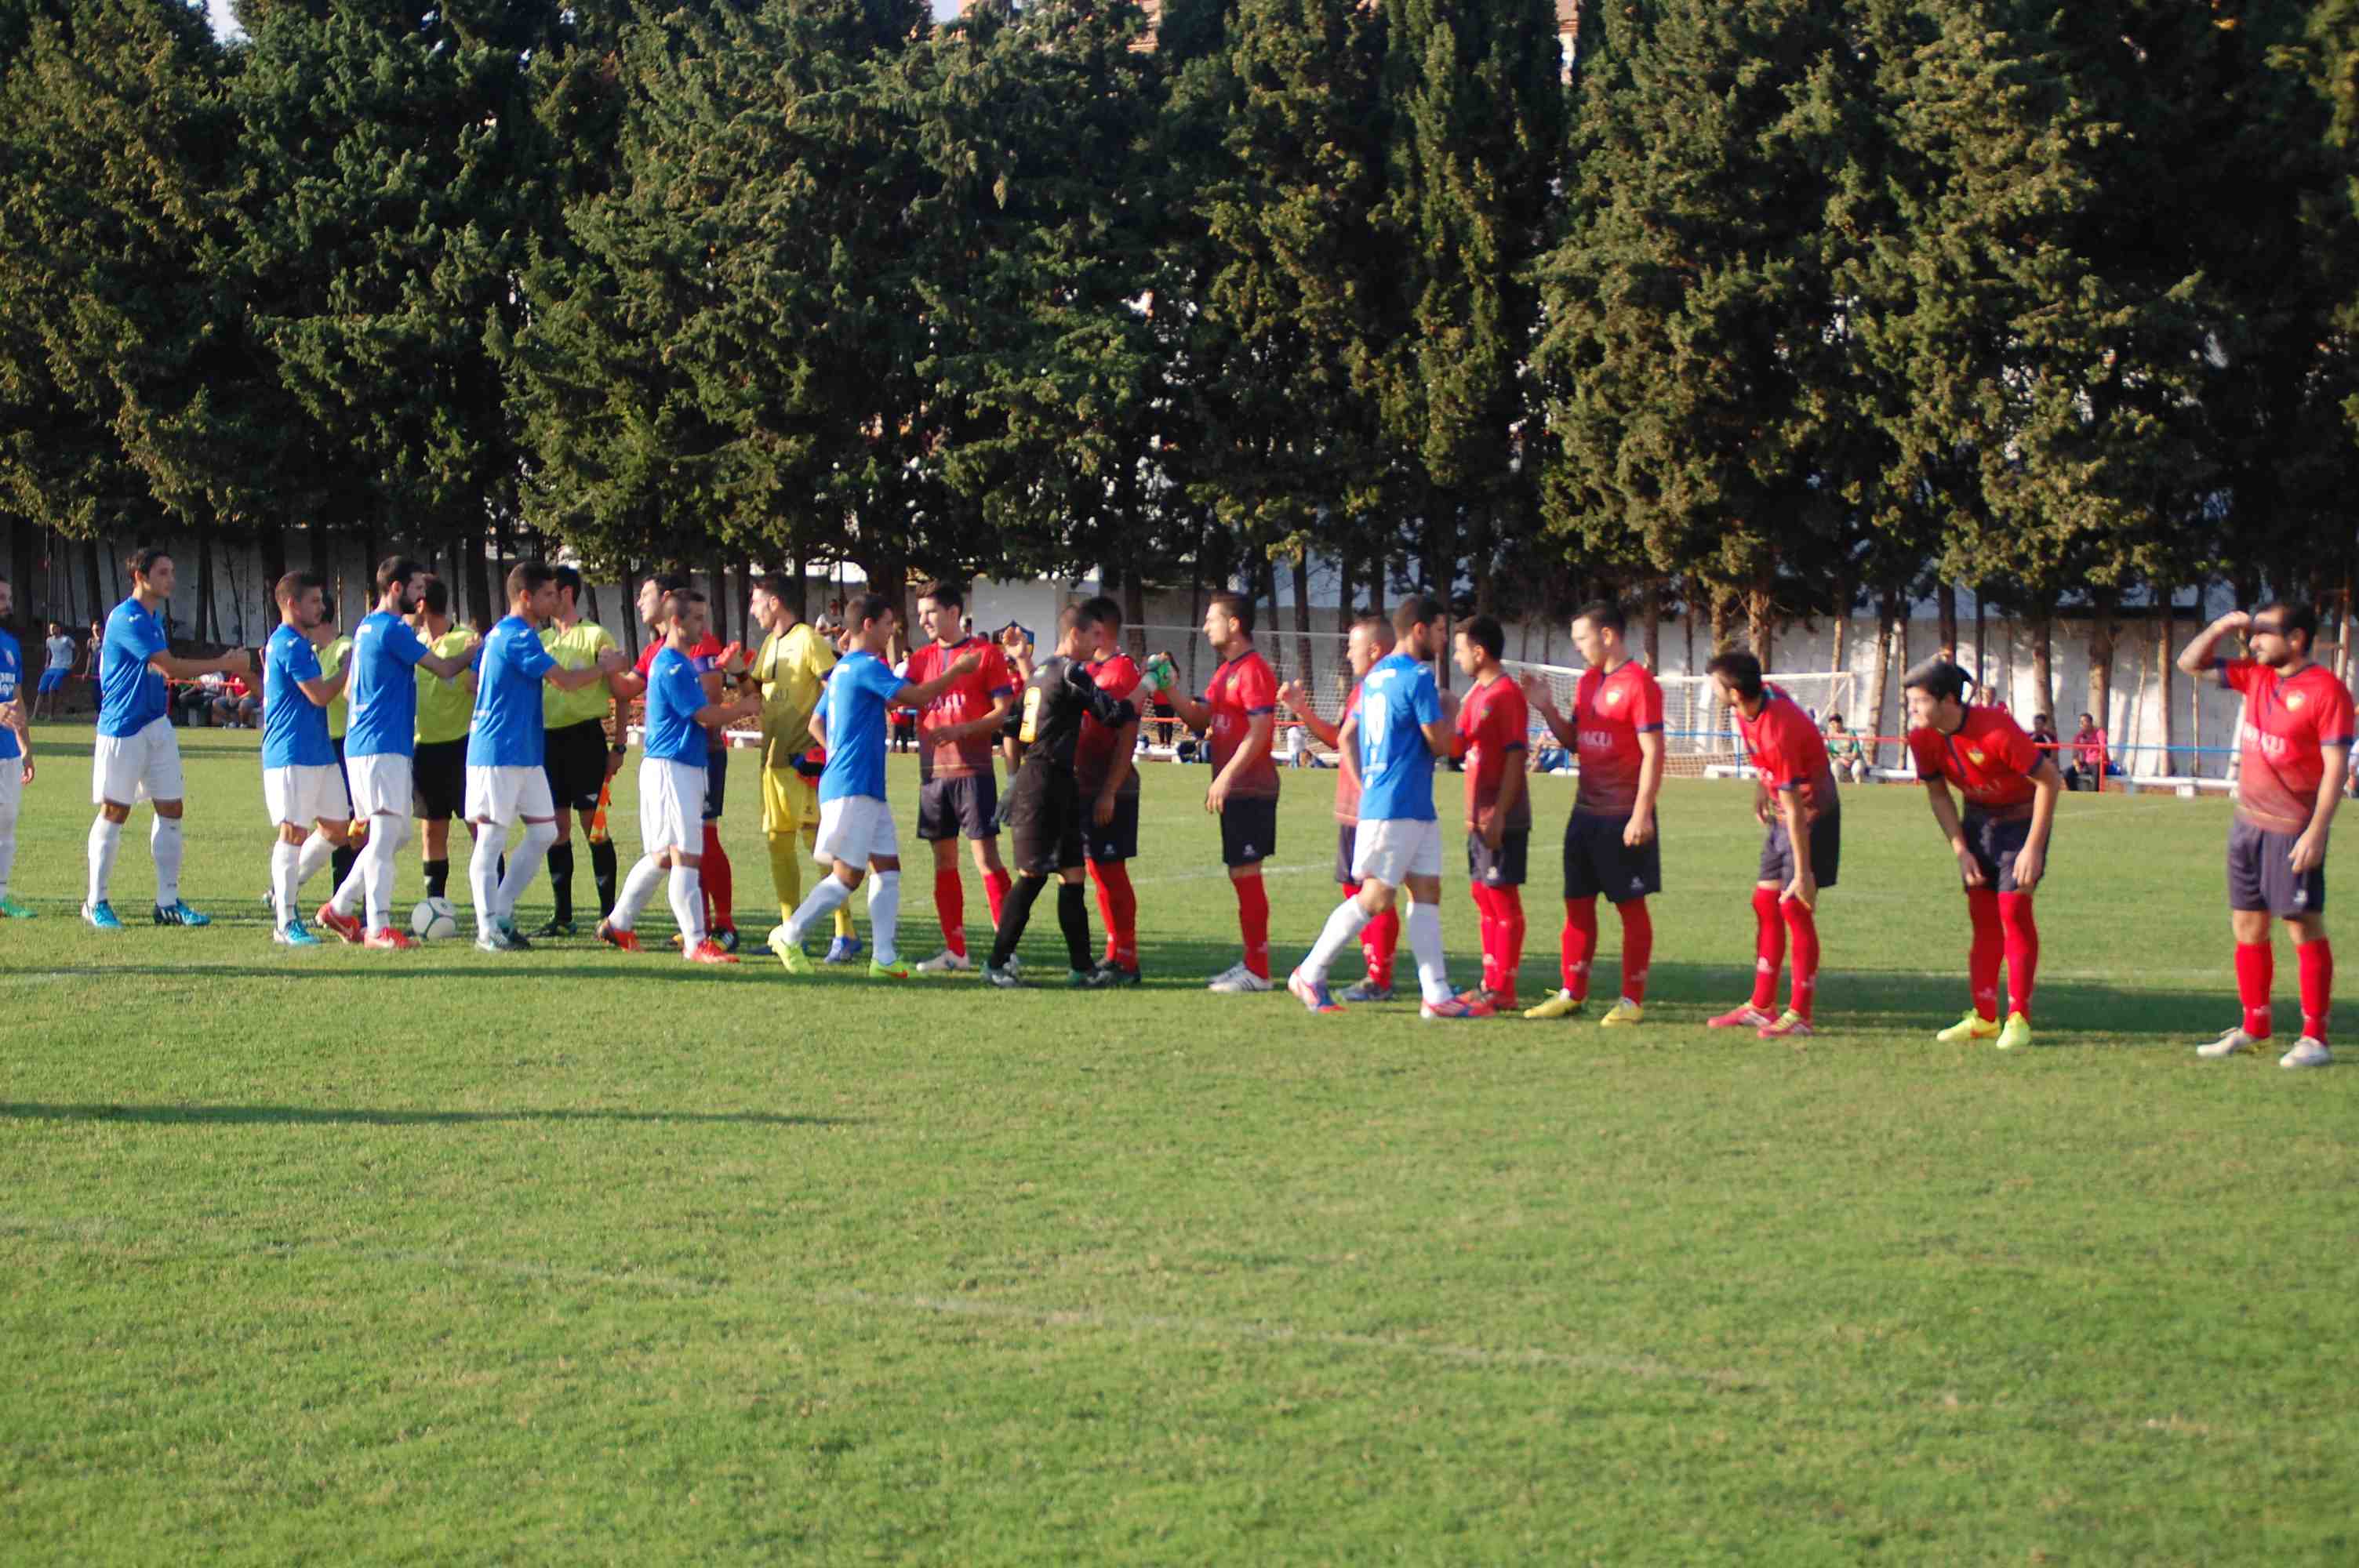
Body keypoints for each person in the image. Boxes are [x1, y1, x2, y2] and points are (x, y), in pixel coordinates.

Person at [770, 592, 982, 978]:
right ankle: (790, 933)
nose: (891, 632)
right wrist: (958, 671)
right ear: (868, 625)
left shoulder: (843, 670)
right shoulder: (867, 665)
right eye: (887, 625)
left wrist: (840, 750)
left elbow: (817, 723)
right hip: (854, 786)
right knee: (848, 876)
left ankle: (883, 958)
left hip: (861, 783)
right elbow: (916, 696)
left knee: (887, 869)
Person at [2179, 603, 2352, 1069]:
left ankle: (2315, 1037)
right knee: (2248, 926)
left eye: (2263, 633)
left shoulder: (2326, 691)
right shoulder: (2255, 676)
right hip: (2246, 825)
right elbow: (2189, 664)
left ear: (2296, 639)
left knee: (2302, 925)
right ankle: (2254, 1026)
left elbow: (2337, 766)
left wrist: (2317, 831)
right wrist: (2221, 627)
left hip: (2291, 830)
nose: (2252, 641)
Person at [1286, 595, 1472, 1018]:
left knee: (1427, 891)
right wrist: (1454, 712)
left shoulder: (1376, 677)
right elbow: (1440, 744)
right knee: (1376, 898)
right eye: (1441, 630)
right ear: (1420, 630)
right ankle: (1309, 973)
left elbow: (1347, 735)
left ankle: (1437, 995)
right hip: (1397, 805)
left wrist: (1366, 779)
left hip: (1408, 803)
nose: (1445, 640)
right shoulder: (1417, 678)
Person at [85, 547, 250, 930]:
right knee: (115, 811)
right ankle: (96, 901)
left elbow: (161, 670)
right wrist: (225, 662)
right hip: (123, 727)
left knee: (172, 809)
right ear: (140, 577)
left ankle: (167, 902)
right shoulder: (127, 618)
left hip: (156, 723)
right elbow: (170, 666)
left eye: (172, 571)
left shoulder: (154, 617)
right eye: (163, 572)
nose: (171, 579)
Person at [314, 558, 476, 947]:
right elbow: (445, 668)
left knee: (395, 833)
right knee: (388, 833)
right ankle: (377, 926)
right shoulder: (391, 630)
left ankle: (340, 907)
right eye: (418, 587)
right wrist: (476, 648)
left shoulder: (367, 626)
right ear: (398, 588)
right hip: (381, 746)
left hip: (372, 744)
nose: (423, 597)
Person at [465, 561, 624, 951]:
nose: (555, 599)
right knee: (490, 839)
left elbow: (474, 678)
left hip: (525, 752)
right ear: (526, 597)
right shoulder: (516, 636)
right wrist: (604, 668)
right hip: (497, 753)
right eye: (548, 594)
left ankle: (501, 911)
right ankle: (488, 928)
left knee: (545, 831)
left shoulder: (516, 635)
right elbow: (566, 681)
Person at [1904, 659, 2062, 1051]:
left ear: (1946, 701)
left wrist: (2033, 848)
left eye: (1919, 702)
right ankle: (1985, 1018)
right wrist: (1960, 849)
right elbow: (1938, 794)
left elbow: (2050, 781)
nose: (1912, 711)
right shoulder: (1922, 738)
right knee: (1983, 920)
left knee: (2013, 913)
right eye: (1909, 704)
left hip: (2020, 826)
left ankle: (2019, 1019)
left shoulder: (1995, 728)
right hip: (1976, 825)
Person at [981, 603, 1139, 988]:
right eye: (1094, 637)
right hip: (1045, 783)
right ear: (1076, 635)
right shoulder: (1071, 672)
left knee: (1072, 877)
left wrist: (1015, 776)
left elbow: (1012, 725)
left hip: (1056, 781)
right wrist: (1147, 686)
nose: (1098, 644)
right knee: (1032, 876)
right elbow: (1114, 714)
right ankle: (996, 963)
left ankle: (1081, 969)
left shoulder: (1039, 672)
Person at [1521, 602, 1663, 1026]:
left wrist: (1642, 814)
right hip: (1584, 814)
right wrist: (1546, 708)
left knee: (1630, 907)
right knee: (1576, 904)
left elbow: (1654, 753)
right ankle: (1572, 992)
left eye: (1582, 639)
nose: (1579, 648)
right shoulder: (1586, 683)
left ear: (1607, 636)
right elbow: (1577, 742)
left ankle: (1631, 1001)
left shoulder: (1640, 684)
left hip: (1623, 815)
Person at [598, 590, 758, 962]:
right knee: (685, 855)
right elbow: (703, 715)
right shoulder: (671, 664)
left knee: (664, 857)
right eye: (697, 619)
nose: (703, 626)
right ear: (676, 621)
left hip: (675, 766)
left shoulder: (678, 662)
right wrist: (743, 708)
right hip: (673, 767)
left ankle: (619, 924)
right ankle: (696, 942)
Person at [1704, 650, 1839, 1039]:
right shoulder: (1755, 701)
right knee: (1765, 902)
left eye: (1716, 683)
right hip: (1784, 810)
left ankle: (1801, 1014)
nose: (1711, 688)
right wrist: (1761, 790)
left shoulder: (1777, 728)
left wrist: (1804, 872)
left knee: (1795, 908)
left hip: (1811, 814)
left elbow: (1797, 809)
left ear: (1733, 691)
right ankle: (1762, 1006)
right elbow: (1769, 766)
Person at [1159, 592, 1282, 993]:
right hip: (1237, 789)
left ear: (1234, 624)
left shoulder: (1253, 670)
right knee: (1239, 873)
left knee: (1247, 872)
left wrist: (1226, 776)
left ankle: (1259, 971)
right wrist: (1171, 688)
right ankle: (1252, 962)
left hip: (1252, 788)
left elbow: (1261, 731)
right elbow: (1198, 717)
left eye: (1212, 619)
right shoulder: (1226, 671)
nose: (1205, 626)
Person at [1280, 616, 1401, 1002]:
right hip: (1354, 810)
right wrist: (1302, 710)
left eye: (1353, 647)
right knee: (1357, 891)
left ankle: (1380, 977)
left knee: (1378, 891)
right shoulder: (1361, 691)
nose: (1348, 655)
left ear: (1376, 649)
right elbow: (1338, 738)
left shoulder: (1384, 689)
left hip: (1375, 808)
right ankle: (1374, 972)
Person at [902, 581, 1018, 975]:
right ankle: (956, 951)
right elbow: (903, 703)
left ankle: (1007, 950)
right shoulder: (919, 660)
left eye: (930, 612)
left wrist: (963, 731)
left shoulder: (985, 655)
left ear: (954, 612)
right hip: (933, 775)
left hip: (973, 771)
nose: (924, 621)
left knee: (987, 859)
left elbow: (1004, 712)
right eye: (920, 614)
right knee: (943, 862)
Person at [744, 572, 850, 949]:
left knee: (818, 845)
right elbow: (754, 691)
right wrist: (738, 673)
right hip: (771, 763)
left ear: (775, 602)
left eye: (756, 601)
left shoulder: (807, 639)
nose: (752, 609)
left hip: (803, 763)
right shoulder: (769, 644)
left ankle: (845, 932)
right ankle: (790, 932)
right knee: (778, 844)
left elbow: (836, 687)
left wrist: (827, 745)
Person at [257, 572, 354, 945]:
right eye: (314, 601)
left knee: (336, 830)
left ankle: (285, 889)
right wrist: (348, 667)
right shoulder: (289, 644)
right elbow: (319, 695)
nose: (321, 607)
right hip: (290, 753)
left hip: (317, 751)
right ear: (292, 605)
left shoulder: (300, 643)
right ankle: (285, 921)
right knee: (293, 833)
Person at [533, 564, 623, 937]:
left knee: (594, 829)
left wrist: (618, 744)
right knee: (557, 829)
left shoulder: (596, 635)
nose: (548, 599)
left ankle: (610, 916)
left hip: (586, 740)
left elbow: (620, 692)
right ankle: (563, 916)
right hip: (548, 741)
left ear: (566, 593)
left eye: (552, 592)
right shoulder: (542, 640)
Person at [1449, 615, 1531, 1015]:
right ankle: (1489, 984)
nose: (1455, 655)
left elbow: (1517, 755)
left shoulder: (1505, 695)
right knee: (1482, 895)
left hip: (1502, 818)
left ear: (1479, 652)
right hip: (1475, 819)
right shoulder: (1476, 695)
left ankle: (1505, 990)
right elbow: (1455, 745)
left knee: (1502, 900)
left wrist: (1499, 812)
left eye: (1460, 649)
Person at [1076, 595, 1148, 985]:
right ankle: (1113, 951)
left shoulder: (1120, 672)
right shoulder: (1090, 668)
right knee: (1099, 870)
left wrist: (1109, 790)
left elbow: (1127, 737)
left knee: (1112, 871)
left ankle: (1129, 960)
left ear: (1098, 630)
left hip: (1111, 789)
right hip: (1087, 785)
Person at [409, 577, 478, 904]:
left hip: (463, 748)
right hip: (425, 749)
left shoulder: (467, 641)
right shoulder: (413, 642)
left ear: (421, 604)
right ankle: (435, 904)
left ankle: (496, 902)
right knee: (432, 831)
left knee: (480, 828)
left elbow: (479, 685)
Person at [311, 603, 358, 895]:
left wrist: (346, 672)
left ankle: (344, 895)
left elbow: (346, 690)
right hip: (320, 747)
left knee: (347, 825)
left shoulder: (344, 648)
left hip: (343, 746)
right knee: (328, 824)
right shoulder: (314, 653)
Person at [0, 580, 34, 916]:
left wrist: (26, 748)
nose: (6, 603)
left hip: (8, 751)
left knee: (7, 821)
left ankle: (0, 897)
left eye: (8, 597)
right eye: (0, 597)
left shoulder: (10, 645)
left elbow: (17, 699)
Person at [34, 620, 74, 721]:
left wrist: (72, 665)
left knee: (52, 688)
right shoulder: (49, 640)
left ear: (59, 628)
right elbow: (48, 651)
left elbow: (78, 651)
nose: (52, 630)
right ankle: (35, 715)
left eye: (54, 628)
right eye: (51, 628)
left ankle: (50, 715)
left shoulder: (66, 640)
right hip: (52, 667)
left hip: (64, 667)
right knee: (41, 689)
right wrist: (47, 662)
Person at [2063, 713, 2108, 791]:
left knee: (2096, 769)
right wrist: (2077, 765)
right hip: (2085, 764)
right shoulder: (2078, 736)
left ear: (2090, 723)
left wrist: (2095, 762)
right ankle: (2075, 794)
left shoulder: (2100, 733)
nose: (2081, 724)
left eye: (2084, 722)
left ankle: (2095, 795)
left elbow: (2103, 753)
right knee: (2067, 772)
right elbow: (2075, 755)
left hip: (2098, 764)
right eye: (2080, 722)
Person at [1823, 713, 1869, 784]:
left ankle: (1859, 790)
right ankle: (1840, 789)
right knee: (1835, 767)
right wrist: (1841, 760)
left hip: (1855, 759)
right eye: (1831, 724)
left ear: (1840, 723)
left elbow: (1856, 746)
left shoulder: (1850, 732)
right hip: (1841, 760)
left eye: (1834, 724)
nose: (1832, 726)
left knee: (1857, 770)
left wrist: (1852, 759)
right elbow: (1832, 752)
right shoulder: (1831, 736)